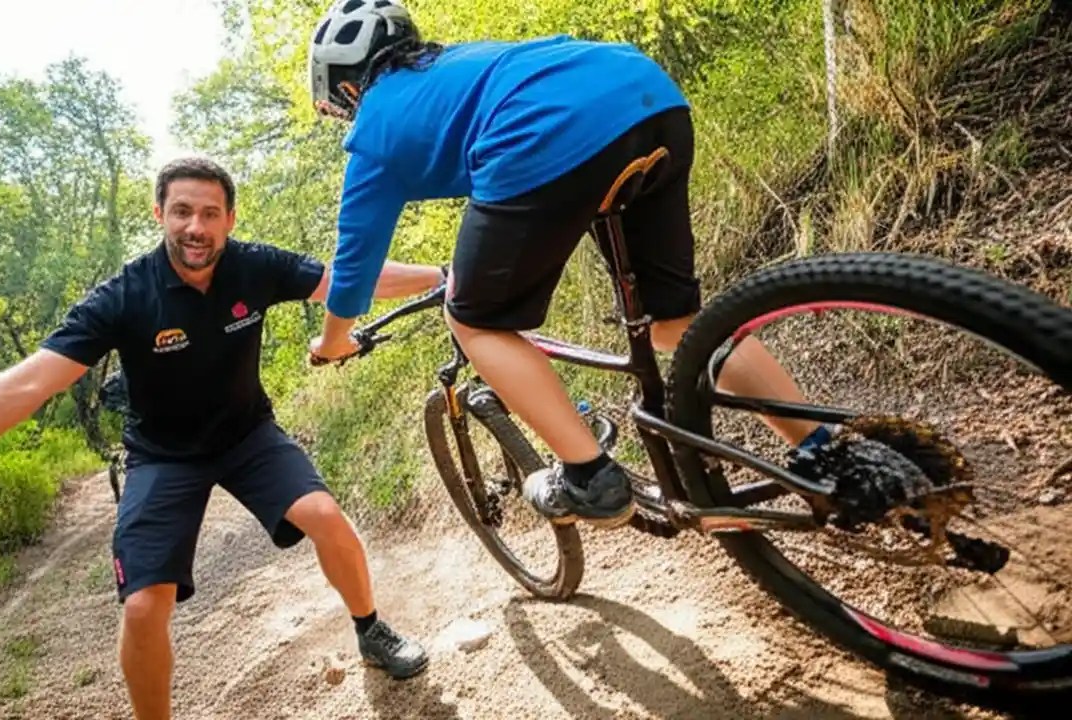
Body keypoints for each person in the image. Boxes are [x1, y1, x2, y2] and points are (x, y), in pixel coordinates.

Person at [0, 157, 441, 719]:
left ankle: (370, 630)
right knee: (142, 606)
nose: (196, 226)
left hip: (249, 436)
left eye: (210, 213)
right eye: (182, 211)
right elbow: (29, 384)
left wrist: (439, 274)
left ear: (230, 220)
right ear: (160, 213)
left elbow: (348, 277)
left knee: (325, 516)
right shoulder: (124, 297)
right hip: (162, 456)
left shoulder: (255, 267)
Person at [304, 0, 832, 528]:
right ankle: (826, 452)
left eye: (341, 107)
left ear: (349, 91)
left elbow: (351, 273)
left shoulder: (373, 127)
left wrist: (332, 344)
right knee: (674, 325)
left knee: (471, 319)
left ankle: (590, 477)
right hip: (650, 98)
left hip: (542, 138)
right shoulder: (467, 63)